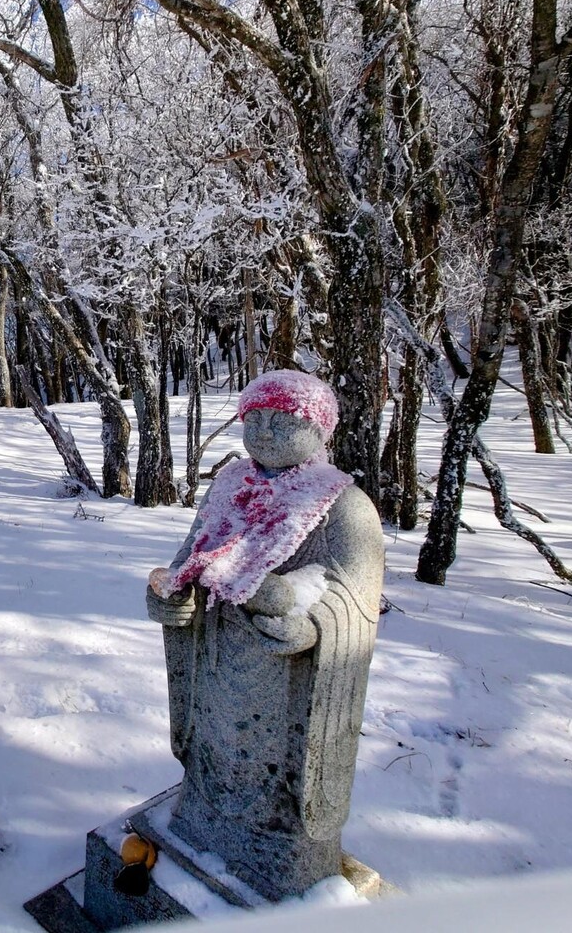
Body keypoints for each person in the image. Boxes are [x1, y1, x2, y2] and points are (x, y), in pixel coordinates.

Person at [146, 369, 384, 900]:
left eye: (282, 422)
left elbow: (356, 596)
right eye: (254, 420)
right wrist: (171, 596)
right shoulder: (229, 485)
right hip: (215, 657)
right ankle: (202, 814)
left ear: (319, 431)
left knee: (272, 776)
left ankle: (281, 844)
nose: (265, 433)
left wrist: (309, 622)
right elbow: (190, 559)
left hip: (283, 682)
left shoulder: (344, 505)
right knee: (214, 753)